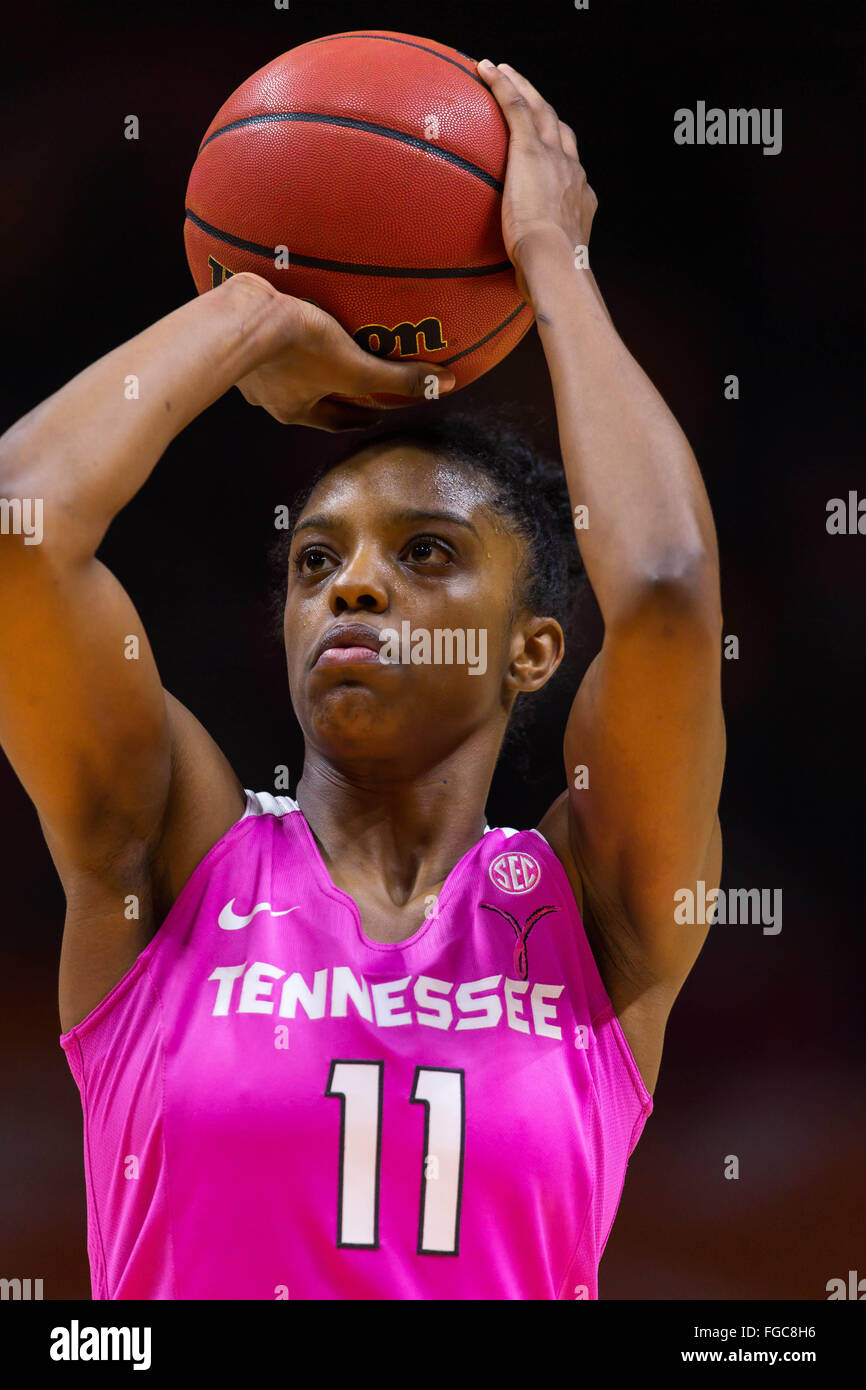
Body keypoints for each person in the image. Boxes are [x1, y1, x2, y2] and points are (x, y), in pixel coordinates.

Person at [0, 59, 724, 1299]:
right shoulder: (172, 858)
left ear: (531, 649)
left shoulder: (590, 911)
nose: (350, 586)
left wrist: (550, 256)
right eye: (314, 559)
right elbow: (20, 529)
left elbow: (659, 587)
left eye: (425, 552)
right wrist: (248, 313)